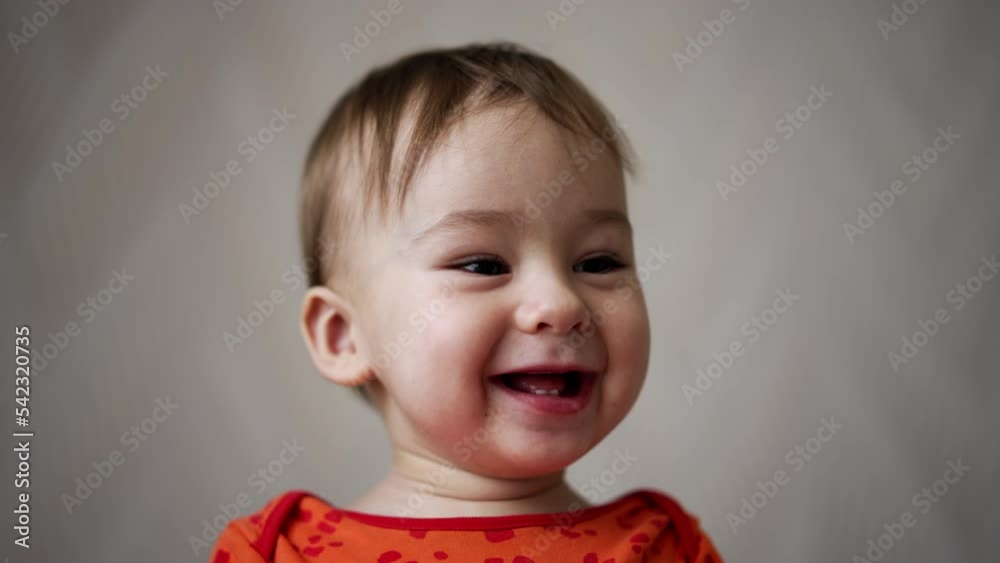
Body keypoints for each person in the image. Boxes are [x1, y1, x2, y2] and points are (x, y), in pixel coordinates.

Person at [209, 41, 723, 562]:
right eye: (483, 266)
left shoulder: (668, 549)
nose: (561, 303)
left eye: (598, 262)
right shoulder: (278, 553)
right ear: (344, 337)